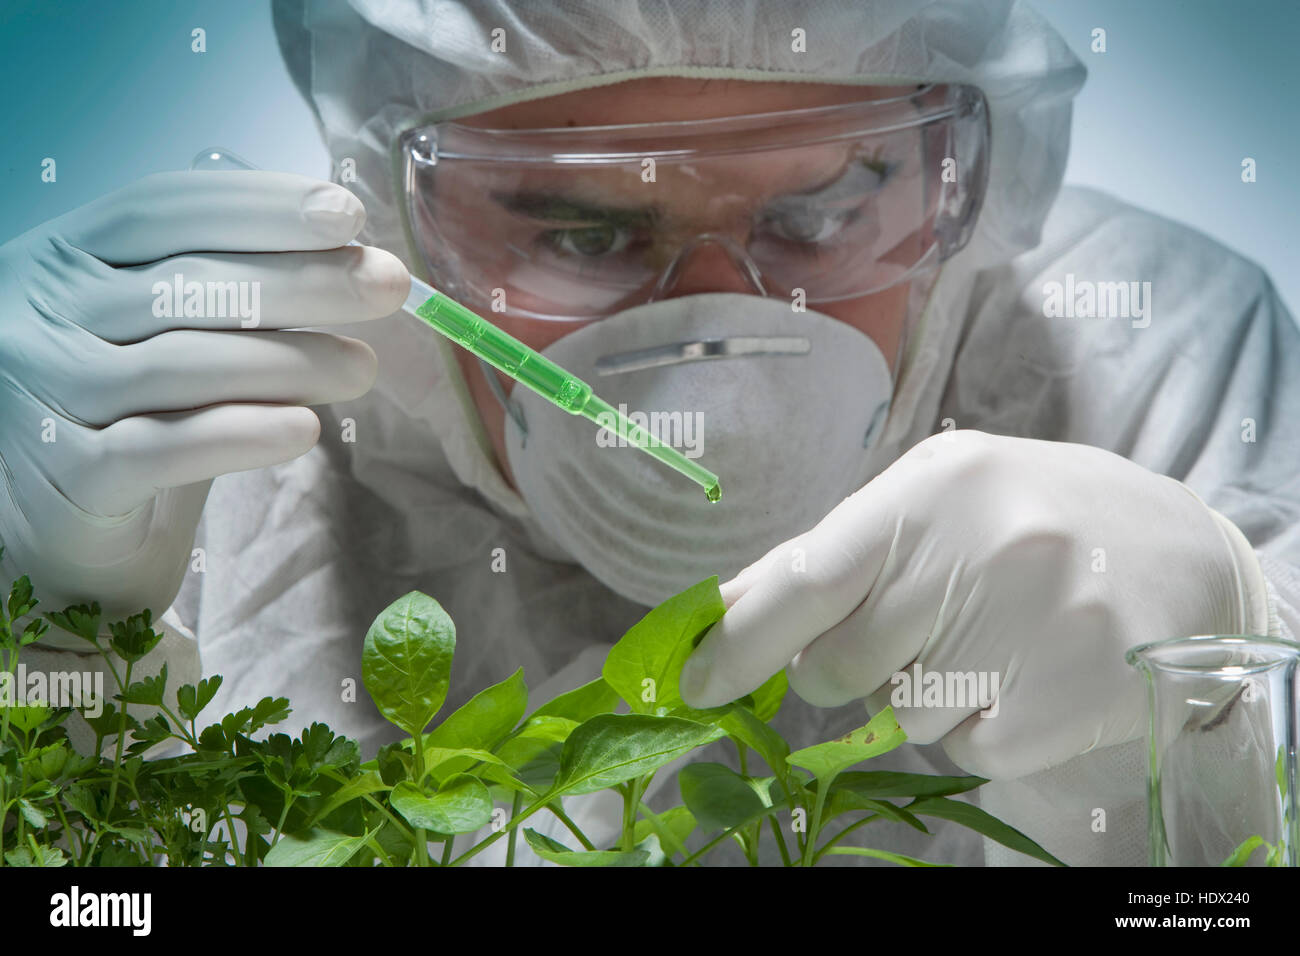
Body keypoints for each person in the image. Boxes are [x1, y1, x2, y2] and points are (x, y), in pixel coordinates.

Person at [0, 0, 1295, 867]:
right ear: (396, 217)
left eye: (832, 203)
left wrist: (1204, 713)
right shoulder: (197, 420)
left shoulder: (1157, 361)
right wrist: (50, 648)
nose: (722, 355)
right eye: (582, 234)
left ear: (975, 174)